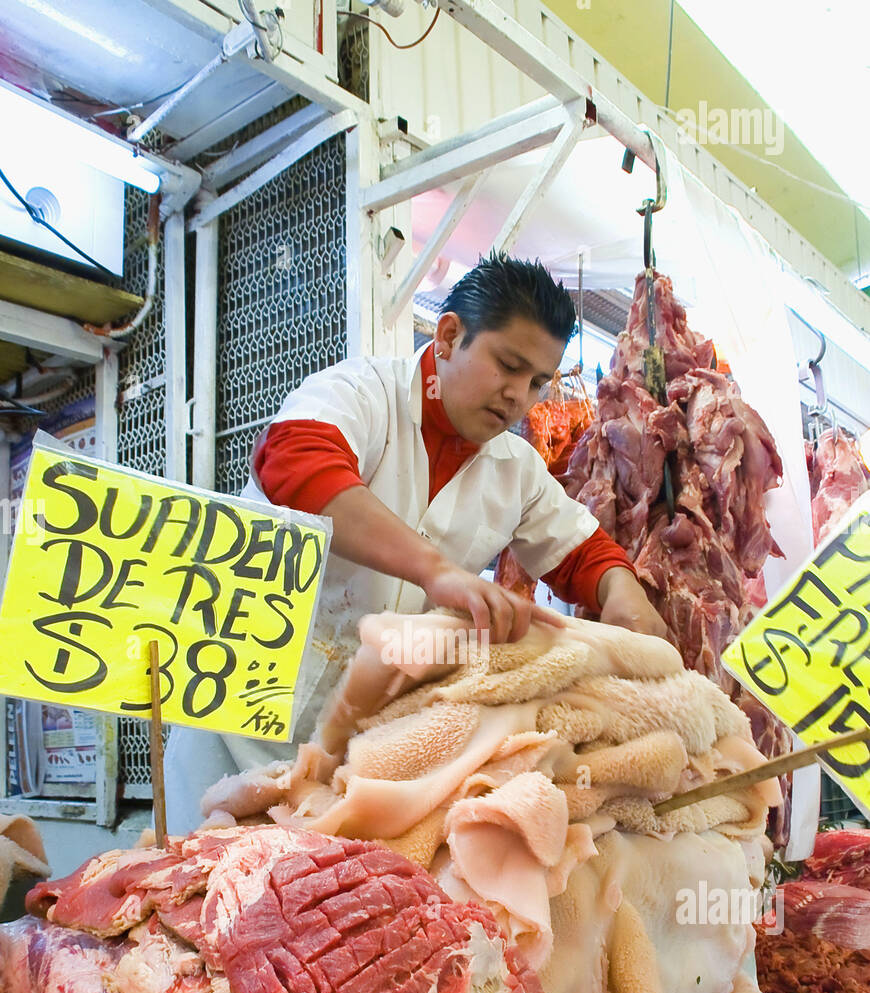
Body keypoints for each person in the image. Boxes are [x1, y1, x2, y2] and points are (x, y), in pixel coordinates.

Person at [165, 254, 666, 832]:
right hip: (237, 706)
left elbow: (583, 552)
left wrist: (624, 593)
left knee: (309, 905)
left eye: (536, 382)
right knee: (191, 889)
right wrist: (435, 570)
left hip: (358, 743)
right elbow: (294, 464)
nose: (518, 398)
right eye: (508, 366)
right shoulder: (363, 392)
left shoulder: (516, 467)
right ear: (450, 336)